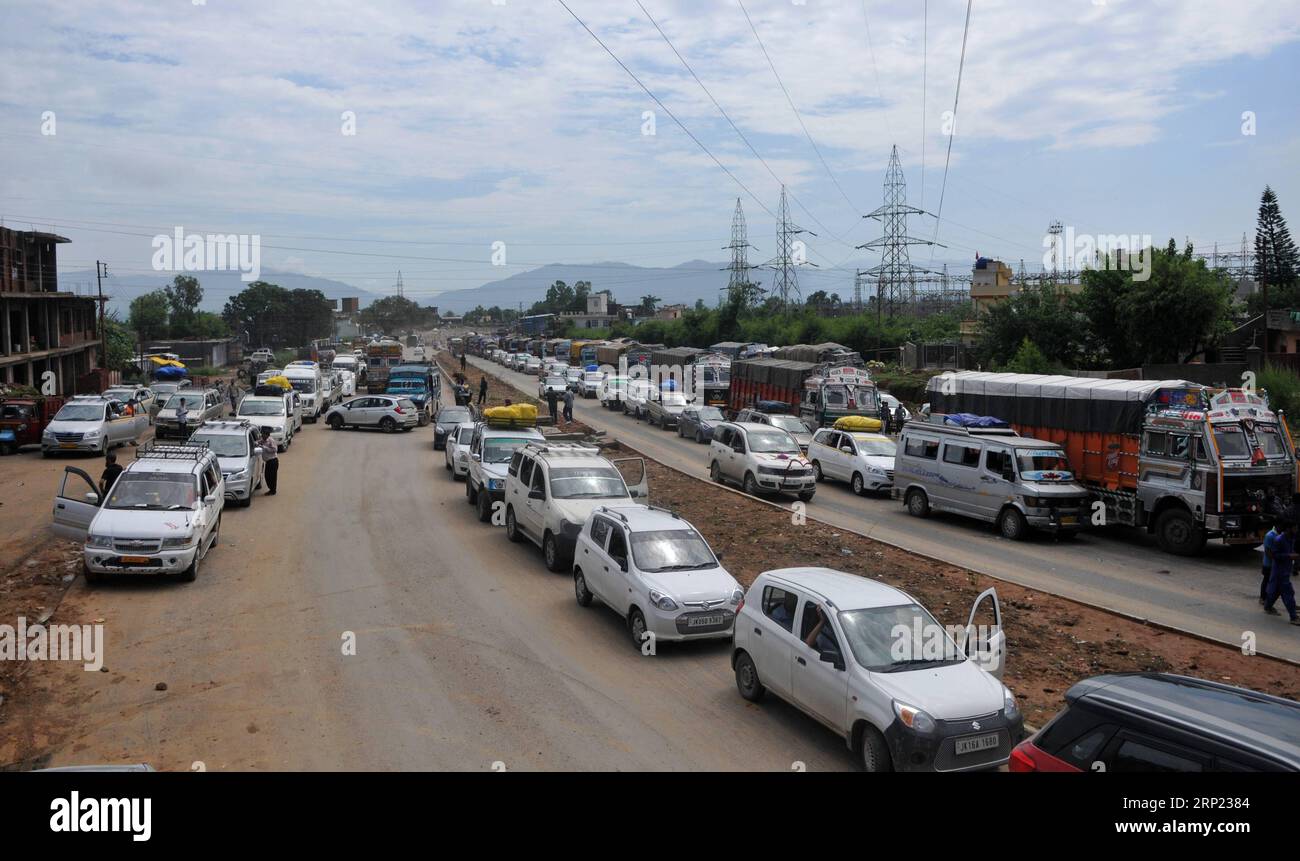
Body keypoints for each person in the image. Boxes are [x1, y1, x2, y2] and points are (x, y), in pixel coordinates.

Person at [1263, 521, 1300, 624]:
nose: (1296, 530)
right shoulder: (1279, 540)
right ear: (1288, 529)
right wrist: (1289, 556)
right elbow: (1274, 556)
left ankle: (1268, 606)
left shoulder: (1291, 538)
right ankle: (1294, 617)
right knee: (1288, 593)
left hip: (1285, 569)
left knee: (1276, 591)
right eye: (1295, 528)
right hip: (1279, 571)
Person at [1262, 521, 1281, 605]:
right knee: (1266, 580)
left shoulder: (1279, 534)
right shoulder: (1270, 535)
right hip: (1268, 564)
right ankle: (1263, 598)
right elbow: (1267, 552)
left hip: (1274, 563)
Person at [257, 427, 279, 496]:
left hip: (273, 461)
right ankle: (271, 489)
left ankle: (273, 491)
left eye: (263, 435)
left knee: (272, 477)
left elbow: (275, 449)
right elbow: (258, 442)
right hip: (268, 462)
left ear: (267, 435)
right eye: (262, 434)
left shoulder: (271, 440)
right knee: (267, 476)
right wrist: (257, 443)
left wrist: (265, 448)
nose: (262, 436)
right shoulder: (263, 440)